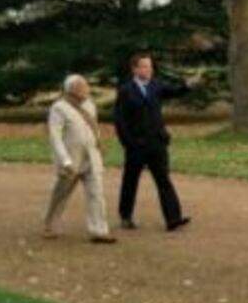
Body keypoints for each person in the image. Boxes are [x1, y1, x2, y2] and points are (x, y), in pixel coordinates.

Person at [113, 52, 192, 232]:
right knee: (131, 181)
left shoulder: (155, 86)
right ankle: (126, 216)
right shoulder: (126, 91)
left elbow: (174, 92)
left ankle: (173, 218)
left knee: (163, 179)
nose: (148, 70)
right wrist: (128, 143)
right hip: (136, 145)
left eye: (149, 66)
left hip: (157, 142)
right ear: (134, 69)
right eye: (143, 66)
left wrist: (187, 85)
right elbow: (120, 120)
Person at [42, 74, 117, 243]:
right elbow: (55, 136)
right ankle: (49, 224)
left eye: (86, 86)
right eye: (82, 86)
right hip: (70, 160)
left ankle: (99, 231)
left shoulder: (90, 105)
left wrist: (98, 144)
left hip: (91, 157)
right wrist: (65, 160)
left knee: (96, 193)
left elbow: (93, 126)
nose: (86, 89)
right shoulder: (59, 108)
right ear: (72, 90)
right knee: (61, 193)